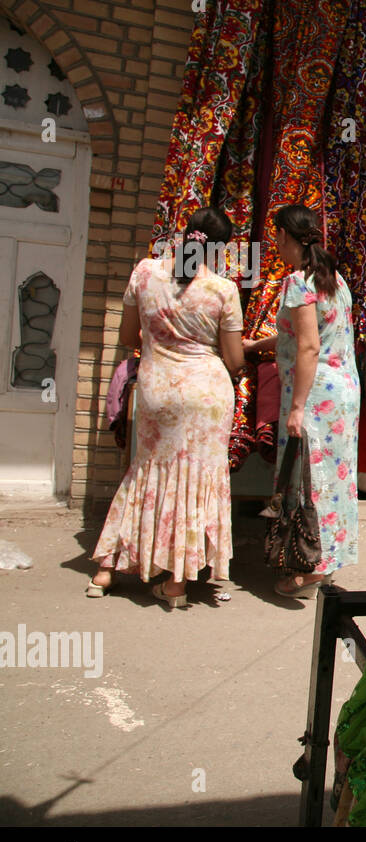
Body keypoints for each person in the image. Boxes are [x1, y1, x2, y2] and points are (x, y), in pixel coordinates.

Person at [87, 207, 245, 608]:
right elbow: (233, 360)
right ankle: (176, 584)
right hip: (207, 396)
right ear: (219, 250)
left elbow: (128, 336)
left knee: (146, 474)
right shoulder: (223, 290)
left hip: (159, 390)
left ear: (184, 233)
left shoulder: (144, 273)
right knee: (195, 482)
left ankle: (106, 568)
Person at [245, 204, 360, 599]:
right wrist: (257, 345)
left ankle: (312, 569)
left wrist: (296, 406)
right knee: (335, 479)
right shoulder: (335, 280)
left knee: (312, 480)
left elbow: (309, 346)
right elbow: (303, 336)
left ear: (283, 236)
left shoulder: (299, 282)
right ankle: (326, 561)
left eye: (277, 236)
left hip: (315, 395)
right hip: (342, 392)